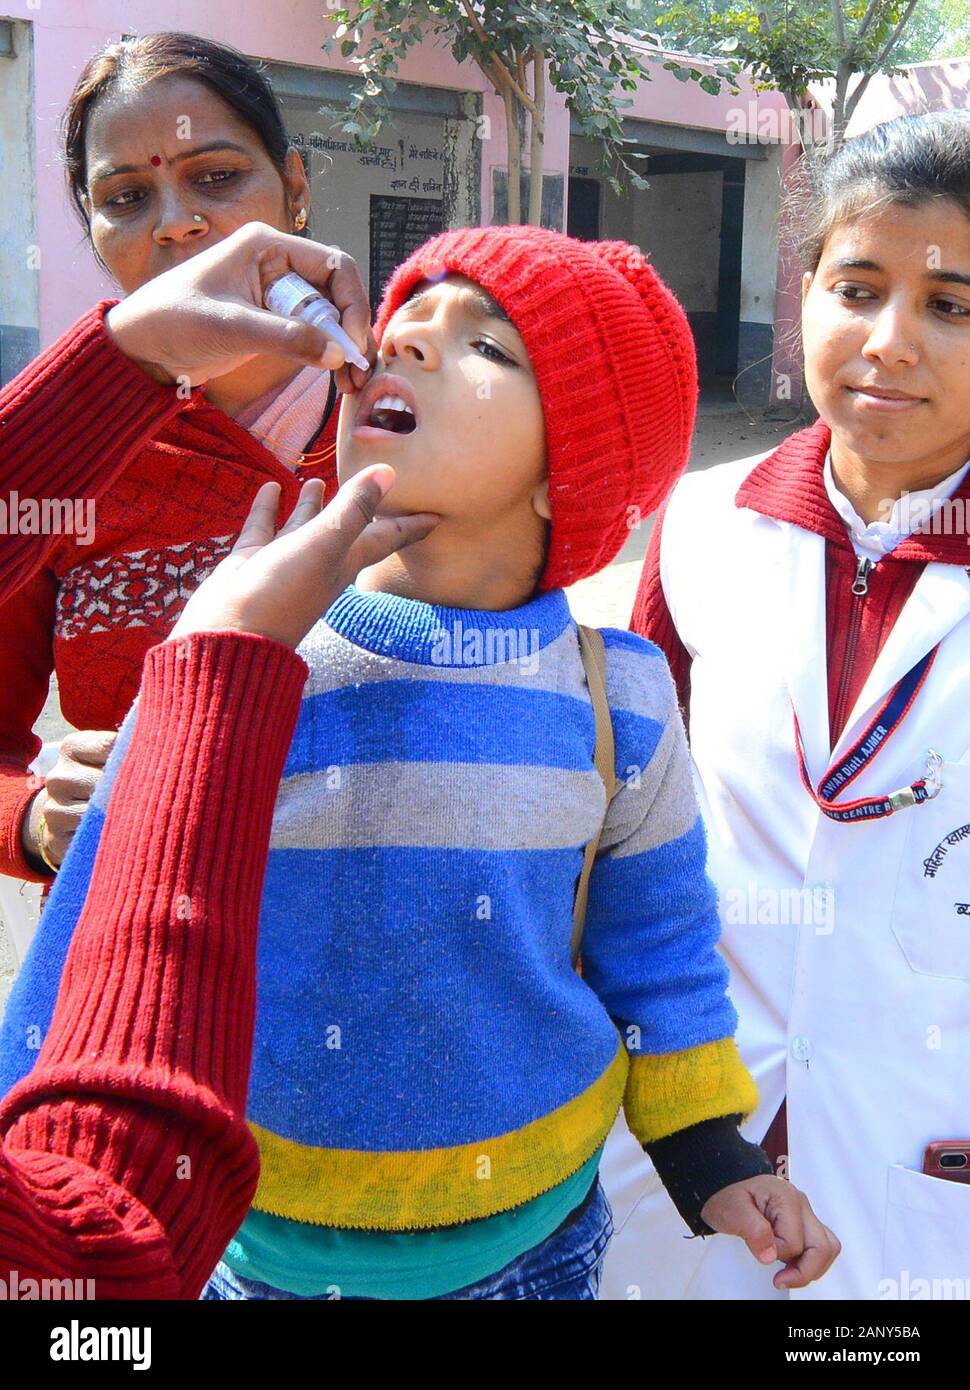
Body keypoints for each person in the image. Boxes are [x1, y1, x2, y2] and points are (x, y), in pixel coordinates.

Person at [3, 224, 840, 1301]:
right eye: (398, 331)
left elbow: (658, 941)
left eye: (486, 347)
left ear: (568, 479)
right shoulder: (243, 658)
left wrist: (703, 1150)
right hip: (241, 1242)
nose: (405, 350)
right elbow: (106, 931)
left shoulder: (613, 694)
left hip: (529, 1242)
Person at [624, 110, 970, 1300]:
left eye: (951, 306)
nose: (890, 343)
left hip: (928, 1145)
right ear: (806, 287)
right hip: (702, 1132)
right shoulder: (701, 524)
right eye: (856, 287)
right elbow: (627, 817)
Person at [0, 462, 438, 1298]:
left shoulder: (387, 451)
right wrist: (30, 821)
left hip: (339, 1162)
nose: (409, 336)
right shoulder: (61, 463)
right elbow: (101, 1247)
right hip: (117, 1032)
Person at [0, 30, 370, 888]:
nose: (177, 224)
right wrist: (32, 820)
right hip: (137, 966)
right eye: (127, 197)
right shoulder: (54, 461)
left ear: (297, 186)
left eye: (215, 176)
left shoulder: (406, 408)